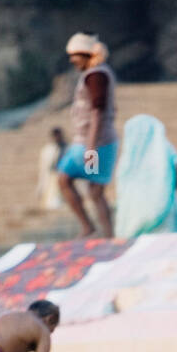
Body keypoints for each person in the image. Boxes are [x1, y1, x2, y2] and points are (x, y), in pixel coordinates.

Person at [57, 33, 118, 237]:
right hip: (86, 142)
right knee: (75, 183)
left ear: (85, 55)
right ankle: (92, 228)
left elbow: (97, 112)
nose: (72, 61)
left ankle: (102, 232)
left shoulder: (96, 75)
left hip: (96, 144)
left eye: (75, 56)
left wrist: (91, 148)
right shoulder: (93, 74)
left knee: (90, 188)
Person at [114, 115, 177, 239]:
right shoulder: (163, 148)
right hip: (163, 201)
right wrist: (175, 185)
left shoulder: (130, 154)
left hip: (135, 208)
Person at [35, 127, 66, 212]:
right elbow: (43, 170)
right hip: (51, 179)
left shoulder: (68, 149)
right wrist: (40, 188)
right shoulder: (47, 150)